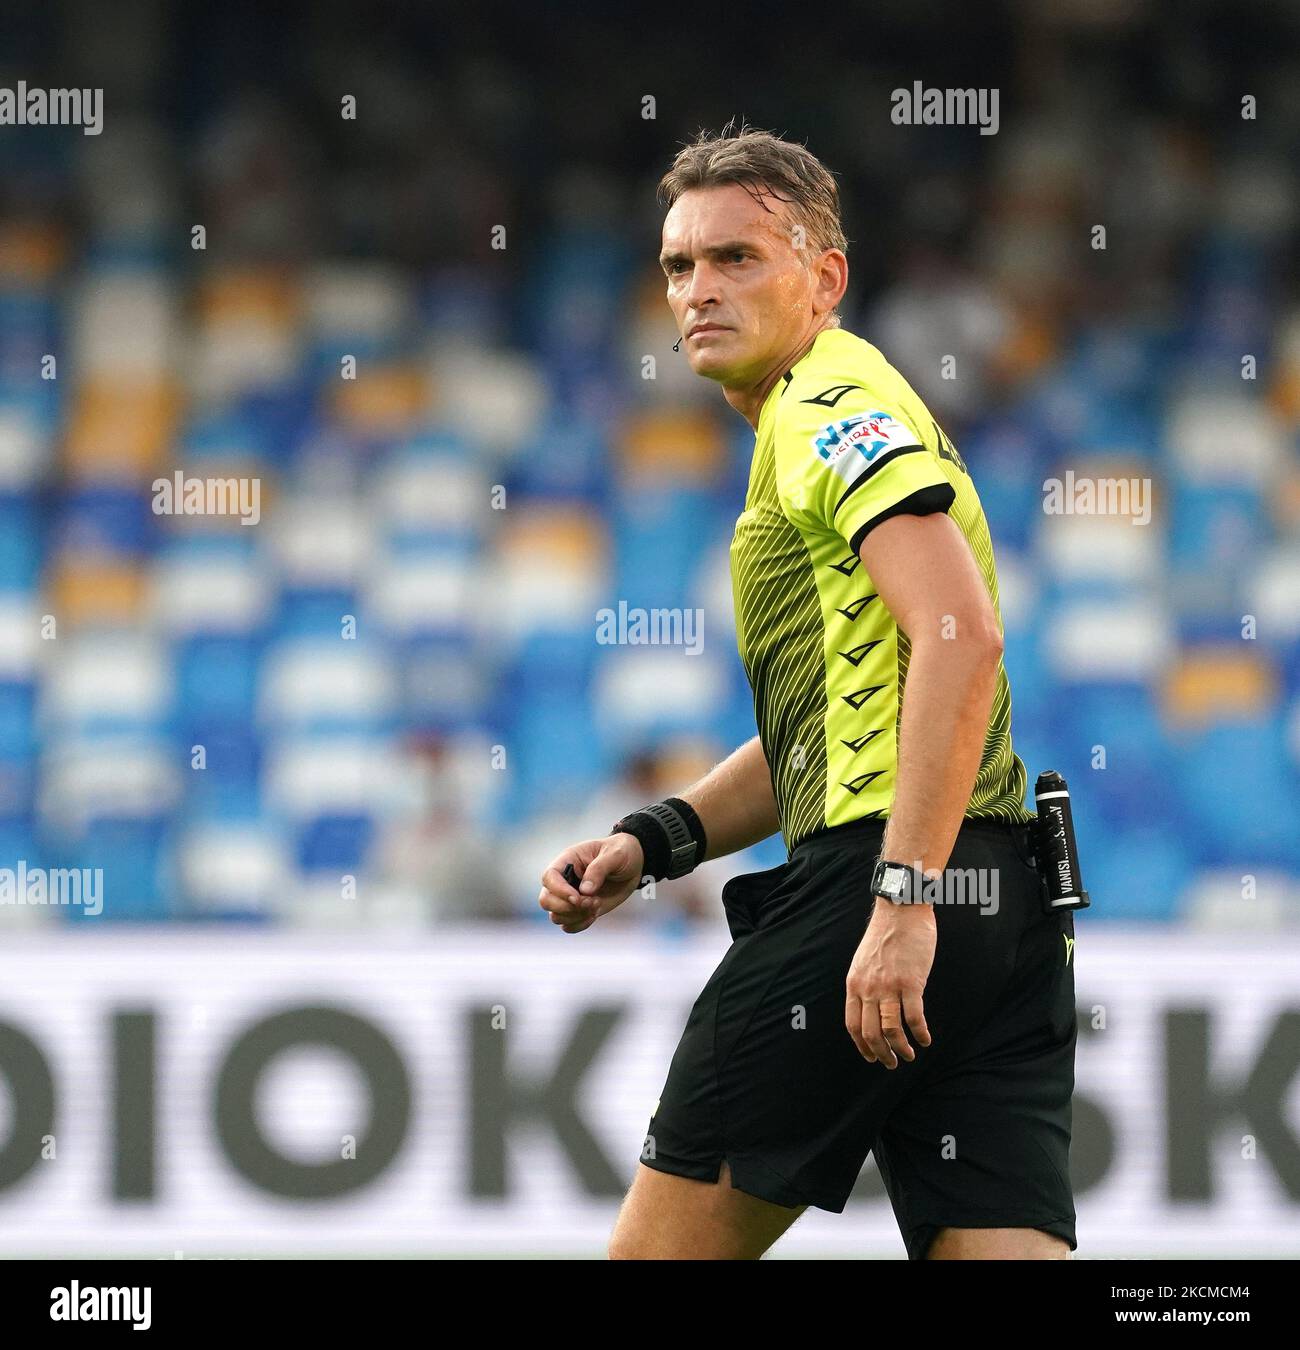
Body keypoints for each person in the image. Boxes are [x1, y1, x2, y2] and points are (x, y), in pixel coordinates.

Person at [537, 123, 1077, 1260]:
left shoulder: (826, 406)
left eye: (739, 258)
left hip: (881, 895)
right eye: (680, 265)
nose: (699, 289)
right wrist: (661, 837)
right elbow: (842, 727)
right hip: (1002, 908)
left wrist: (899, 898)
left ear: (823, 278)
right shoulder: (815, 412)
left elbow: (960, 637)